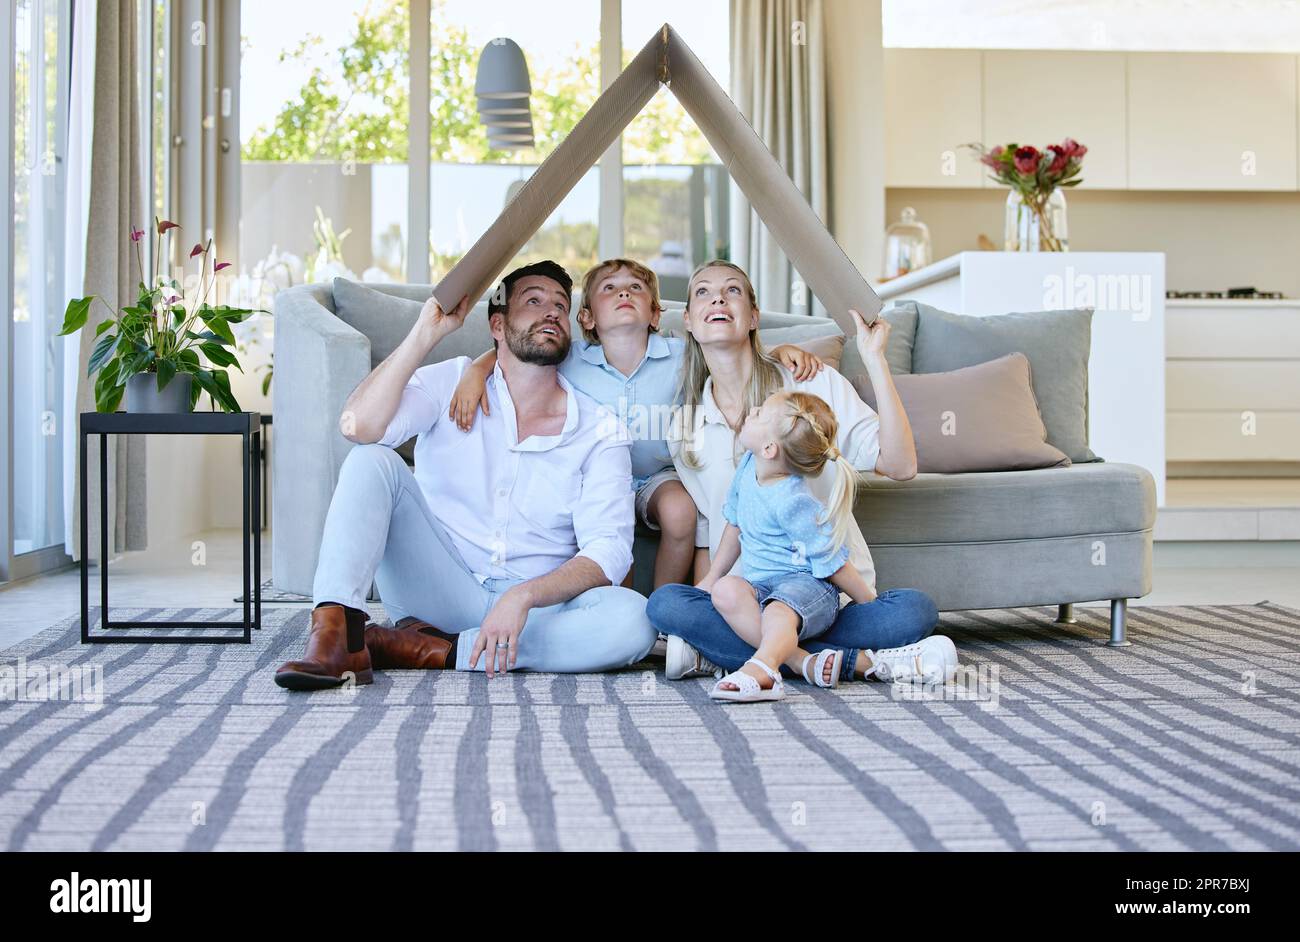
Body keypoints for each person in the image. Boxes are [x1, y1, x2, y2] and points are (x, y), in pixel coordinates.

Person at [275, 260, 657, 691]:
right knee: (371, 459)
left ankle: (432, 650)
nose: (551, 311)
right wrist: (426, 333)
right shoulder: (451, 381)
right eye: (533, 301)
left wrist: (524, 595)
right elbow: (358, 425)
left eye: (559, 305)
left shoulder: (601, 430)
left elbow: (609, 551)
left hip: (533, 612)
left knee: (633, 622)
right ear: (497, 325)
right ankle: (337, 637)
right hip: (438, 589)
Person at [647, 260, 956, 688]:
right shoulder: (685, 425)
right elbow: (711, 529)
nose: (717, 298)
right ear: (688, 322)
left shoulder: (810, 383)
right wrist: (705, 590)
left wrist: (874, 360)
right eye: (702, 291)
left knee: (913, 610)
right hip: (748, 599)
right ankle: (830, 662)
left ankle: (734, 655)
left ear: (754, 317)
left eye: (733, 290)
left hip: (831, 596)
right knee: (665, 605)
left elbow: (900, 465)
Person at [447, 257, 825, 589]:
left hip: (658, 477)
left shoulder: (679, 355)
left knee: (680, 511)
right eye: (609, 288)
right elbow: (516, 351)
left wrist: (780, 350)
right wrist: (475, 373)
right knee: (606, 527)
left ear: (655, 313)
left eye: (635, 288)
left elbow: (731, 349)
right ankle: (619, 605)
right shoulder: (572, 358)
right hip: (592, 477)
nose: (623, 293)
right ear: (588, 317)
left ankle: (663, 611)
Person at [700, 390, 885, 701]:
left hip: (807, 589)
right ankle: (804, 661)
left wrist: (873, 605)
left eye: (759, 414)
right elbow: (735, 521)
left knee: (778, 611)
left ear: (769, 448)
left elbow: (831, 561)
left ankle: (763, 669)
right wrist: (712, 577)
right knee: (724, 592)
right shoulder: (748, 466)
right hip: (762, 586)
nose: (753, 408)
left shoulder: (791, 501)